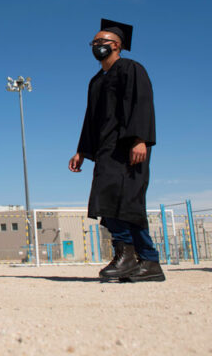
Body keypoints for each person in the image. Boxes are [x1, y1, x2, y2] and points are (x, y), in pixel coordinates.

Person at [69, 19, 164, 282]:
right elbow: (90, 118)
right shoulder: (96, 81)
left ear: (118, 45)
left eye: (103, 42)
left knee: (126, 202)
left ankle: (128, 257)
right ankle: (148, 262)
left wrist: (140, 139)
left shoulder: (131, 69)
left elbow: (142, 104)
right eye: (94, 42)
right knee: (111, 201)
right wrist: (82, 151)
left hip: (128, 145)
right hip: (105, 149)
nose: (98, 46)